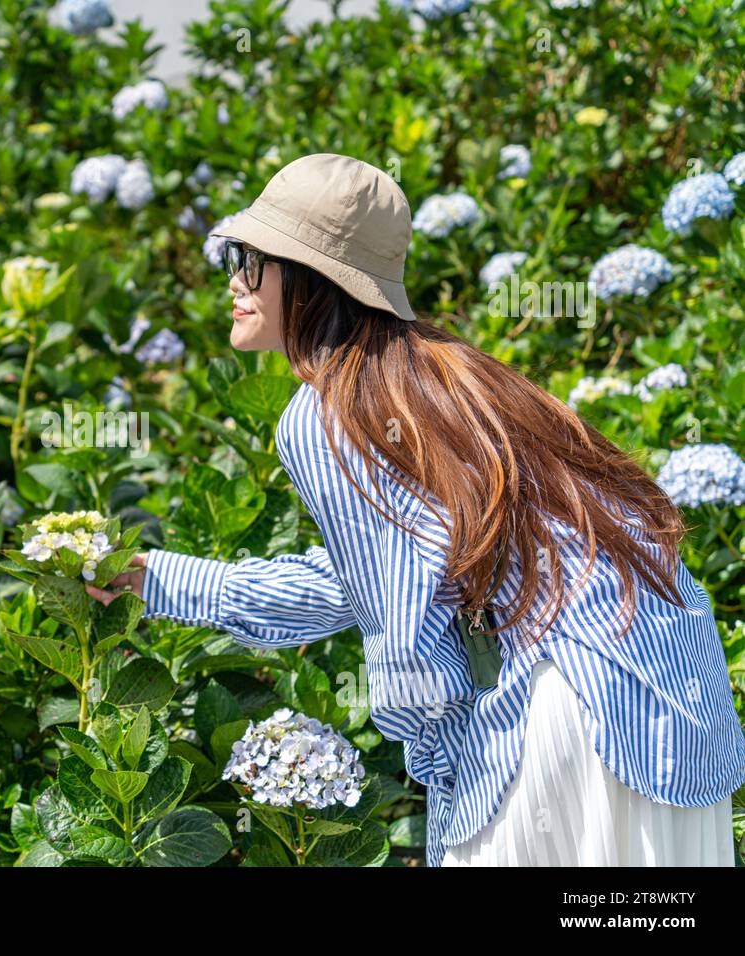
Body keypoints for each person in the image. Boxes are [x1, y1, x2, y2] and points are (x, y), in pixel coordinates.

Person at [85, 153, 745, 867]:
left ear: (311, 278)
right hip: (671, 698)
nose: (235, 281)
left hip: (573, 710)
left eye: (253, 259)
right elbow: (373, 577)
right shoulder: (443, 369)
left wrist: (444, 763)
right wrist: (158, 580)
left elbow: (406, 639)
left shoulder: (325, 413)